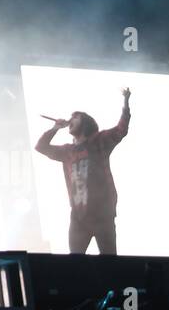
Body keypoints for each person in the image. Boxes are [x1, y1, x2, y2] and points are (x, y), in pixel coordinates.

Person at [35, 87, 131, 254]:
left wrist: (126, 102)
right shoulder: (67, 151)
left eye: (76, 117)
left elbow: (121, 129)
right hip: (79, 216)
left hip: (103, 214)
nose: (71, 119)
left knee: (110, 264)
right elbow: (41, 147)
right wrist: (55, 128)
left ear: (86, 123)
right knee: (75, 264)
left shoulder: (99, 141)